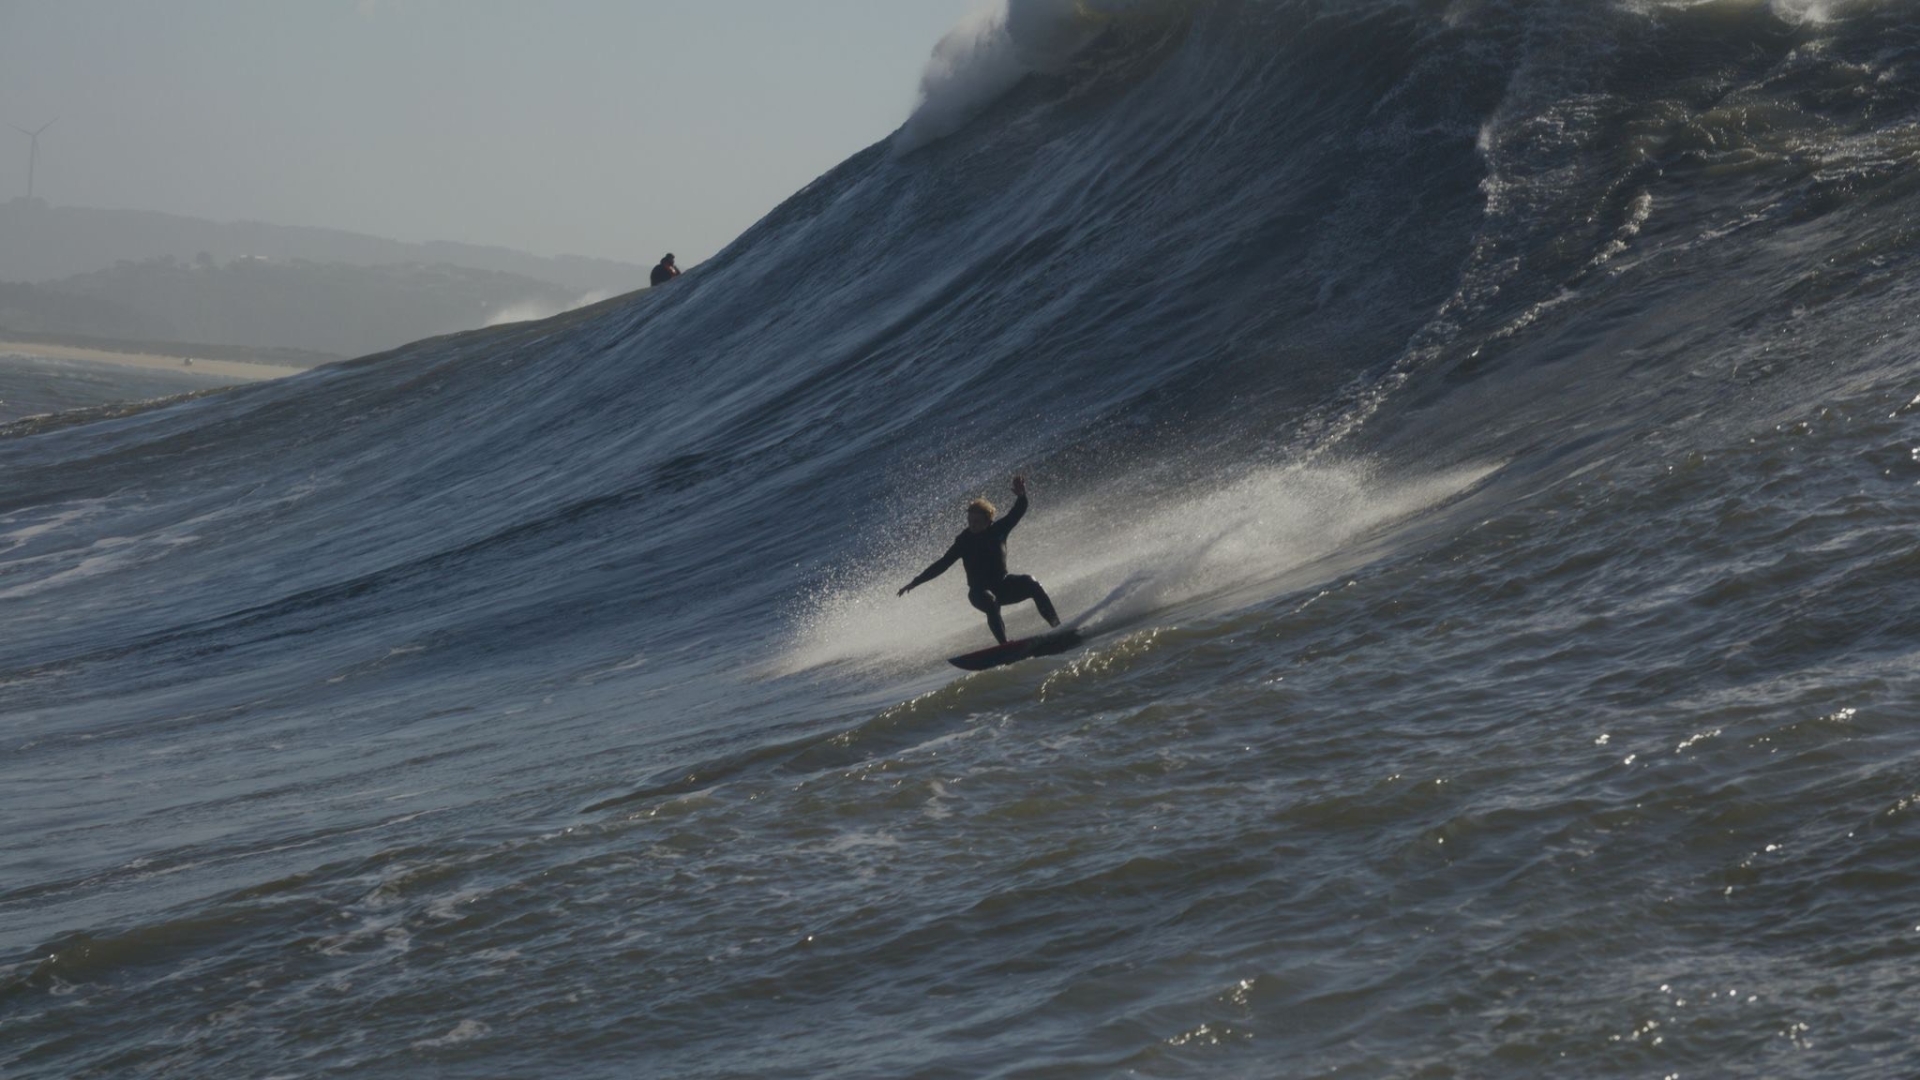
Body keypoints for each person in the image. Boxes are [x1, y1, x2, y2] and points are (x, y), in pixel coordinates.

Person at [899, 476, 1060, 646]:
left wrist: (1021, 496)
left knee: (1032, 583)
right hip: (978, 592)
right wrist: (915, 582)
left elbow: (1017, 512)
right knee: (991, 602)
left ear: (988, 520)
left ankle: (1057, 627)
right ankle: (1004, 645)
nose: (972, 525)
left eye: (976, 521)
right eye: (969, 521)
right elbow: (942, 564)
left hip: (1003, 585)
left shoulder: (999, 530)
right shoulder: (964, 541)